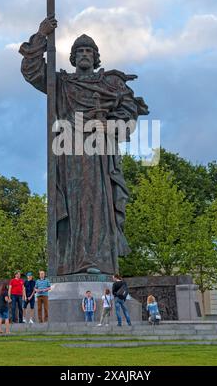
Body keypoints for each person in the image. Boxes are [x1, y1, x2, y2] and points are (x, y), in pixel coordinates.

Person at [19, 20, 149, 275]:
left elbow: (130, 109)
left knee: (97, 206)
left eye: (89, 51)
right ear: (73, 57)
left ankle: (97, 262)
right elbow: (32, 72)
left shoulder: (109, 84)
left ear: (96, 56)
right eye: (80, 51)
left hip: (98, 154)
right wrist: (40, 37)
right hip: (69, 154)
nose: (84, 54)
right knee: (72, 205)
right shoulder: (62, 84)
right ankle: (70, 263)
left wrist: (109, 123)